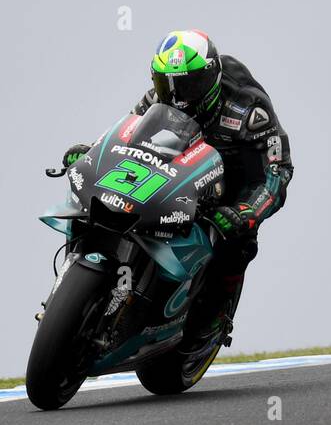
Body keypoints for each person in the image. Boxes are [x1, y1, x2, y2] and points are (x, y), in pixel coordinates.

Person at [62, 29, 293, 352]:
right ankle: (74, 275)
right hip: (178, 173)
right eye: (166, 84)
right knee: (103, 202)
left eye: (189, 85)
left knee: (236, 242)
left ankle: (212, 318)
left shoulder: (248, 109)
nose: (178, 96)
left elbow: (277, 169)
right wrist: (90, 154)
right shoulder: (157, 99)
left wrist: (246, 211)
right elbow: (126, 139)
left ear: (211, 77)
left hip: (235, 185)